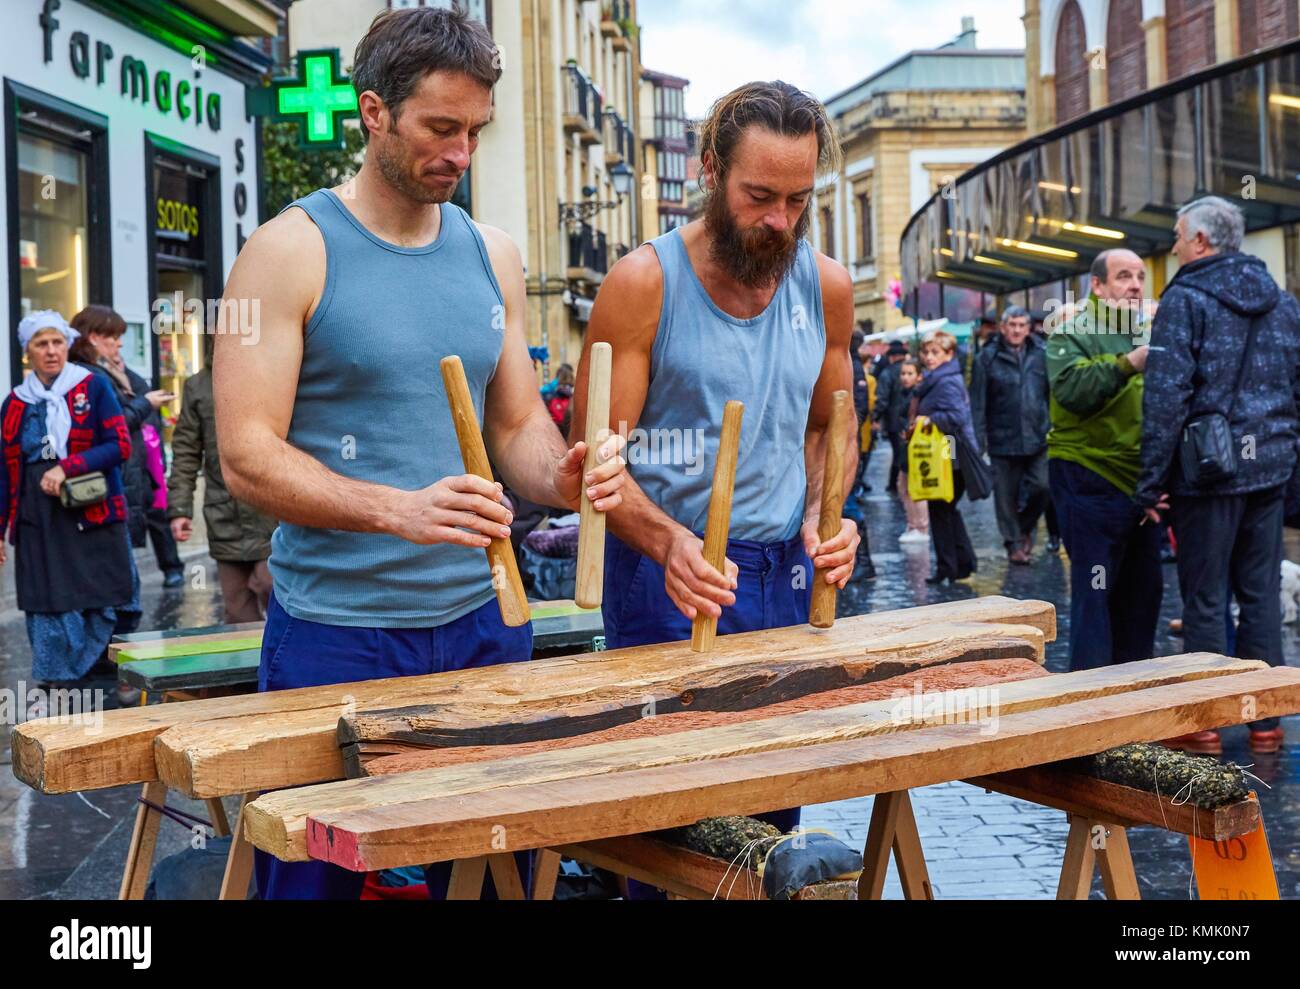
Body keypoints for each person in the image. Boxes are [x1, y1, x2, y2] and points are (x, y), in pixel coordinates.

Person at [212, 6, 628, 900]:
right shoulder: (287, 251)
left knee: (493, 880)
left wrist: (565, 476)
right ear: (373, 113)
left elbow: (516, 429)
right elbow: (245, 456)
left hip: (484, 626)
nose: (462, 154)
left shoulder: (492, 254)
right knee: (308, 883)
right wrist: (396, 508)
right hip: (336, 634)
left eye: (475, 131)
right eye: (441, 128)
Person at [571, 80, 860, 846]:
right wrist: (668, 541)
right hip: (663, 575)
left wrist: (823, 517)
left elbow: (834, 426)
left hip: (784, 577)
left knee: (770, 814)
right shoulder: (643, 282)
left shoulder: (828, 286)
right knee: (668, 820)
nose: (779, 221)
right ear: (708, 170)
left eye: (798, 201)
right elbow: (595, 464)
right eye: (760, 196)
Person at [1137, 195, 1300, 754]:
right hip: (1270, 467)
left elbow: (1164, 397)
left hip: (1207, 471)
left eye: (1179, 235)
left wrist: (1149, 481)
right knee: (1259, 596)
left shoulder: (1184, 298)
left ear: (1202, 241)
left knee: (1204, 598)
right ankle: (1265, 722)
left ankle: (1206, 719)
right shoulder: (1281, 299)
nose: (1175, 244)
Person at [0, 312, 134, 686]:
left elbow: (119, 445)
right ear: (28, 351)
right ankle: (57, 682)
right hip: (36, 519)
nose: (51, 351)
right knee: (47, 601)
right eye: (41, 344)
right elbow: (3, 473)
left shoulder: (93, 388)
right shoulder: (13, 404)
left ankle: (98, 679)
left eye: (57, 342)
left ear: (68, 345)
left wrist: (67, 467)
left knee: (100, 596)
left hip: (89, 511)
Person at [1047, 248, 1162, 671]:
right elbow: (1072, 391)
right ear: (1097, 285)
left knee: (1143, 594)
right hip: (1088, 476)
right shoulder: (1071, 332)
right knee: (1095, 593)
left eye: (1139, 276)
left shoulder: (1147, 330)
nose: (1134, 284)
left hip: (1142, 485)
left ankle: (1134, 700)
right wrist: (1129, 364)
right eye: (1123, 276)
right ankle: (1091, 700)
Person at [68, 306, 184, 591]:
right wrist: (147, 404)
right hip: (112, 473)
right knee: (117, 556)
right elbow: (116, 423)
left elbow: (137, 392)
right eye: (115, 337)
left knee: (150, 518)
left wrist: (122, 370)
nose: (120, 344)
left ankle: (169, 570)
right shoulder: (88, 376)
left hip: (136, 466)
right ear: (94, 337)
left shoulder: (107, 370)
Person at [168, 335, 279, 624]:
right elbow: (186, 451)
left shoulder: (274, 375)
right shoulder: (199, 385)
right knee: (237, 608)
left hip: (270, 509)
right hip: (223, 511)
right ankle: (250, 668)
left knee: (271, 586)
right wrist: (179, 509)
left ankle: (284, 658)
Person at [970, 305, 1051, 564]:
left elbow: (1050, 393)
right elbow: (978, 402)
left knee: (1043, 487)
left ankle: (1024, 527)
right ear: (1003, 327)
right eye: (1012, 325)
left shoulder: (1042, 353)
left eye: (1021, 325)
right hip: (1002, 437)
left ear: (1028, 329)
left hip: (1038, 435)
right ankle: (1013, 543)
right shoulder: (987, 357)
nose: (1016, 330)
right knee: (1005, 496)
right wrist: (978, 441)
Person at [910, 330, 986, 584]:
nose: (929, 357)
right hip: (945, 456)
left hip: (953, 458)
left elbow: (957, 417)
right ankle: (960, 563)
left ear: (949, 354)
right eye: (926, 352)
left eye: (935, 353)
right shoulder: (936, 378)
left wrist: (929, 419)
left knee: (942, 511)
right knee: (947, 511)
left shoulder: (946, 380)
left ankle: (949, 566)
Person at [893, 359, 929, 543]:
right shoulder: (905, 393)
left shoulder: (917, 395)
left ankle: (921, 527)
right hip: (905, 447)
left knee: (914, 488)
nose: (905, 377)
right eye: (903, 373)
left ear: (918, 375)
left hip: (914, 447)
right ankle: (913, 524)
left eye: (910, 373)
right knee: (903, 486)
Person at [873, 340, 909, 493]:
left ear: (892, 357)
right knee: (904, 451)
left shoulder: (887, 373)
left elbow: (882, 399)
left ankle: (895, 484)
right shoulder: (911, 369)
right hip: (909, 418)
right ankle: (900, 483)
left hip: (894, 419)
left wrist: (875, 417)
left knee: (898, 452)